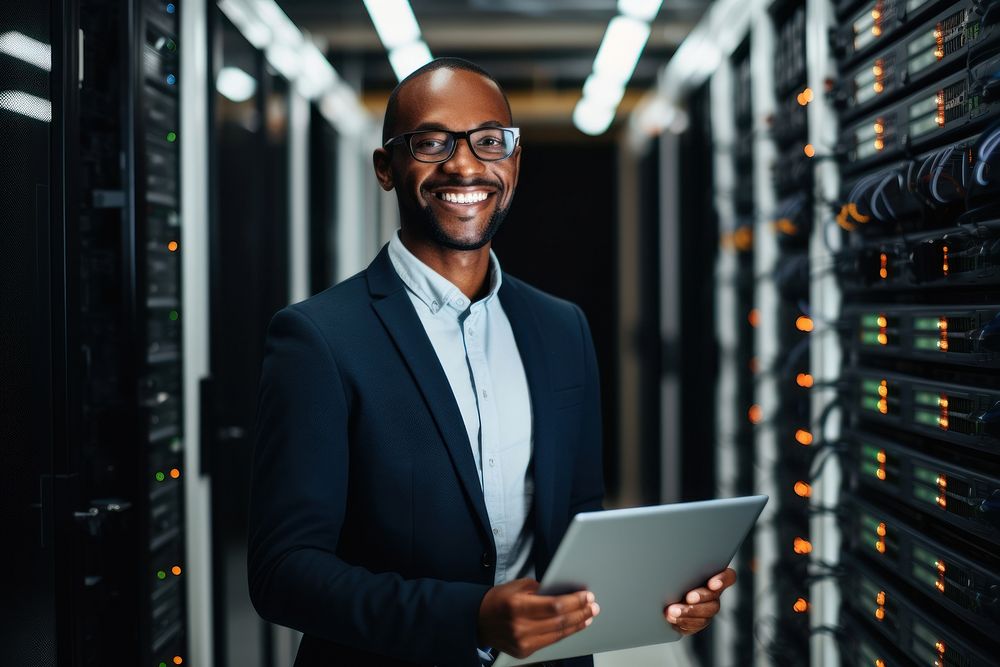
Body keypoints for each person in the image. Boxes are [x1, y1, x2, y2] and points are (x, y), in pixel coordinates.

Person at [247, 57, 735, 666]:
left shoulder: (561, 328)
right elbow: (282, 574)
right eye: (430, 143)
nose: (465, 165)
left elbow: (578, 521)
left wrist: (657, 594)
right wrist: (472, 616)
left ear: (514, 161)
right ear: (386, 169)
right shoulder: (317, 337)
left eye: (489, 141)